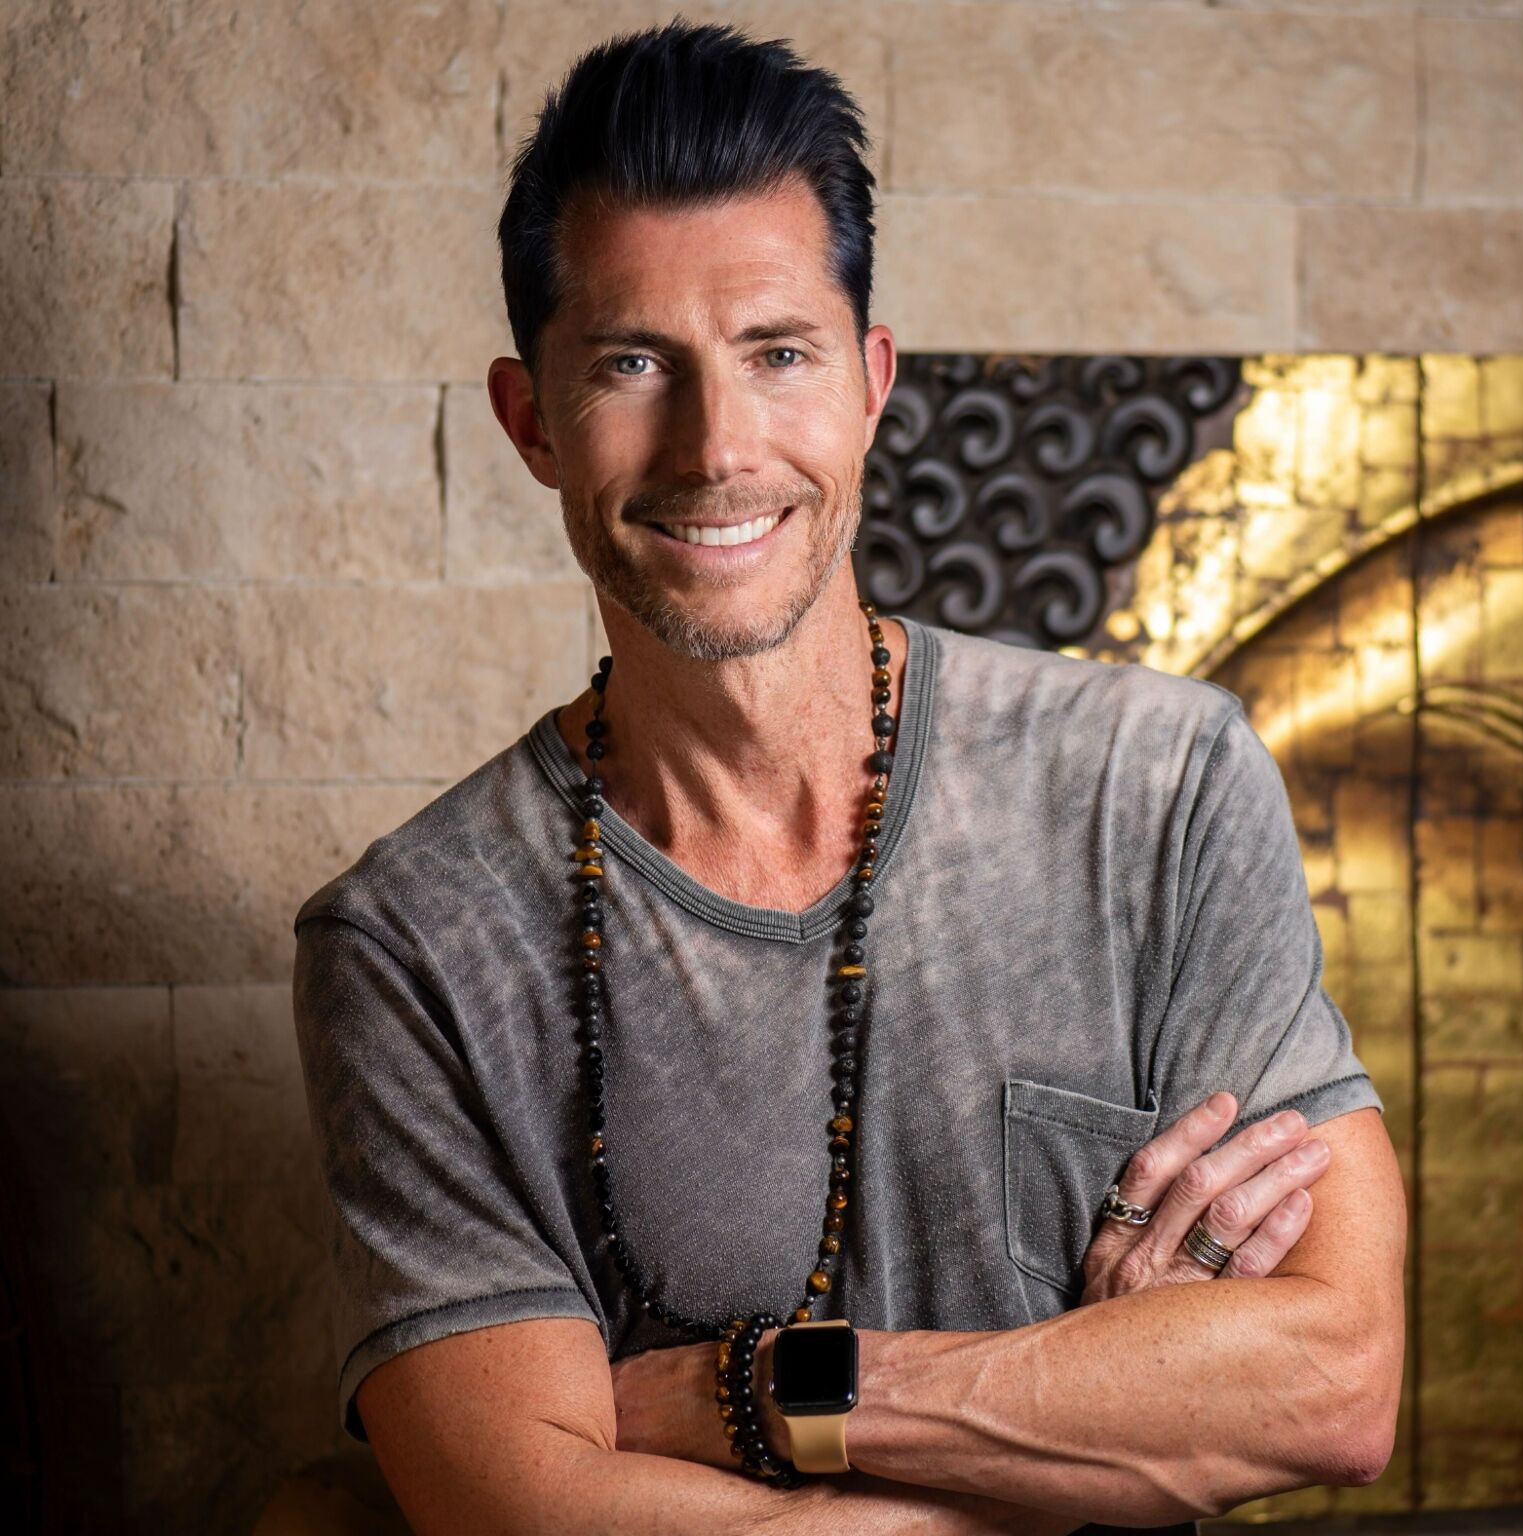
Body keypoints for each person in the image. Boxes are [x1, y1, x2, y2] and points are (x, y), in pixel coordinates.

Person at [290, 15, 1406, 1534]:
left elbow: (1336, 1384)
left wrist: (764, 1391)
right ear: (531, 420)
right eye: (633, 364)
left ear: (871, 383)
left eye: (779, 354)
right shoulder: (415, 944)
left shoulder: (1161, 788)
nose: (717, 447)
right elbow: (525, 1512)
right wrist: (1098, 1433)